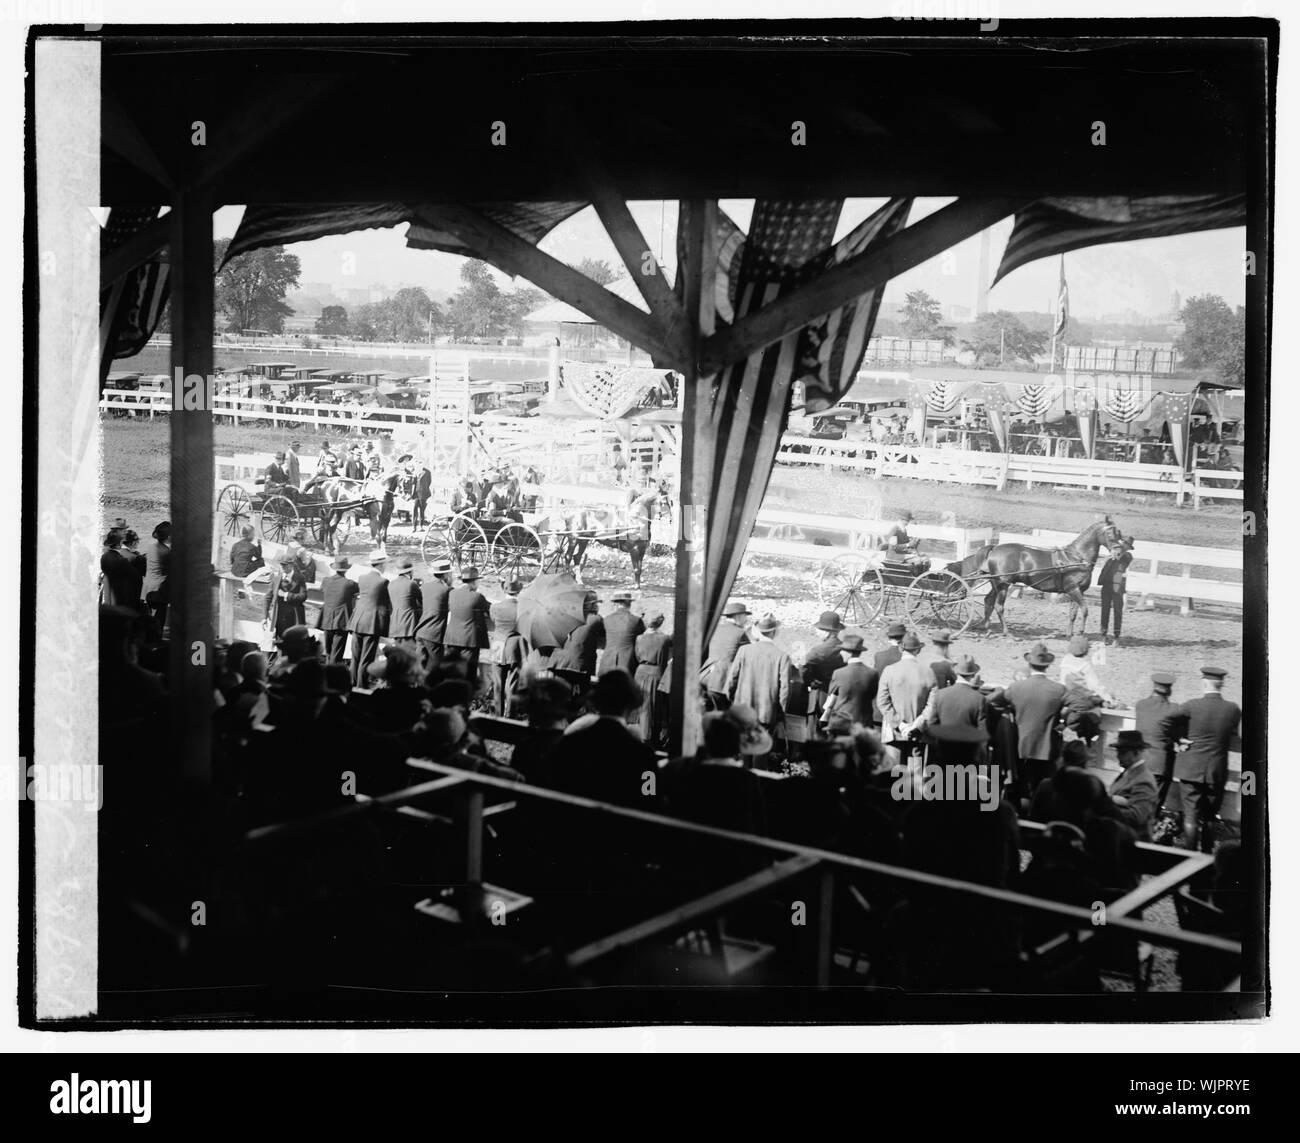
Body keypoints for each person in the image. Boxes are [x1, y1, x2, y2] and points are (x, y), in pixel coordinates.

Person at [1160, 666, 1242, 851]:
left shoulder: (1191, 706)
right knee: (1211, 815)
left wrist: (1177, 738)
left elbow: (1166, 719)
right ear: (1222, 684)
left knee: (1191, 814)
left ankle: (1190, 855)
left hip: (1190, 769)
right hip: (1216, 770)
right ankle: (1206, 853)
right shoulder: (1233, 709)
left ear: (1204, 683)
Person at [548, 670, 656, 807]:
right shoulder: (645, 755)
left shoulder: (569, 743)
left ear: (596, 700)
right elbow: (651, 797)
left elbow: (556, 784)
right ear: (631, 704)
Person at [1004, 642, 1068, 801]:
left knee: (1021, 789)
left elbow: (997, 700)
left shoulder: (1016, 688)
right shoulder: (1058, 689)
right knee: (1045, 791)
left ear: (1029, 664)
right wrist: (1064, 722)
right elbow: (1079, 705)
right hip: (1047, 748)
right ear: (1047, 666)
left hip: (1021, 746)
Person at [725, 612, 792, 741]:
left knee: (744, 746)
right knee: (761, 751)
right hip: (766, 712)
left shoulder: (744, 650)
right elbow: (785, 689)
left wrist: (732, 698)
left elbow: (732, 679)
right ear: (774, 632)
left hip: (743, 708)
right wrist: (781, 712)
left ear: (758, 631)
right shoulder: (782, 656)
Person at [876, 630, 934, 765]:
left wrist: (900, 725)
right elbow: (933, 705)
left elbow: (882, 702)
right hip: (918, 734)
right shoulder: (928, 672)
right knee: (915, 778)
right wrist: (916, 725)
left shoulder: (889, 671)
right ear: (918, 650)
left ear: (901, 648)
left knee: (893, 775)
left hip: (893, 733)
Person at [348, 550, 391, 689]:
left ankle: (352, 683)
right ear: (381, 564)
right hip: (371, 623)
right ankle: (361, 687)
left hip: (357, 621)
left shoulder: (362, 578)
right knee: (366, 658)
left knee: (355, 657)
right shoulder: (383, 582)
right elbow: (385, 604)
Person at [1135, 671, 1179, 806]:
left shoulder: (1140, 705)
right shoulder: (1173, 709)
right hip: (1160, 764)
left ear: (1154, 687)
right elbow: (1176, 733)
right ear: (1169, 690)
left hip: (1140, 761)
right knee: (1153, 806)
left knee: (1137, 803)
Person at [1105, 730, 1159, 840]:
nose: (1118, 756)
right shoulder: (1127, 773)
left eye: (1123, 752)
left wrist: (1105, 804)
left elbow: (1136, 817)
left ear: (1137, 752)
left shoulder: (1144, 780)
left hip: (1134, 843)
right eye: (1118, 751)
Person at [443, 565, 492, 684]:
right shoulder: (477, 597)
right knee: (469, 674)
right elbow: (492, 610)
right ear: (475, 581)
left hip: (452, 638)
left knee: (452, 671)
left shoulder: (452, 593)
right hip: (469, 641)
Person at [820, 632, 876, 735]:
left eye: (842, 651)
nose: (840, 653)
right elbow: (872, 696)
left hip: (843, 725)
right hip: (864, 725)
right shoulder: (872, 673)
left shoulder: (839, 673)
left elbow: (831, 698)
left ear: (848, 653)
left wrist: (826, 714)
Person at [632, 613, 672, 745]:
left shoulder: (639, 638)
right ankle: (651, 737)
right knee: (654, 707)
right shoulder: (664, 638)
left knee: (640, 704)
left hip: (640, 671)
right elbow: (663, 660)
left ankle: (639, 734)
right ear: (660, 623)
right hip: (656, 673)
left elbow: (637, 656)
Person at [702, 600, 750, 708]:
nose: (746, 620)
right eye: (745, 616)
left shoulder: (715, 629)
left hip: (706, 676)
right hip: (722, 681)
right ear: (738, 616)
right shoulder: (740, 633)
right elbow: (748, 656)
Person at [490, 579, 526, 717]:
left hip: (497, 646)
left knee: (498, 684)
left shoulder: (495, 607)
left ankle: (498, 715)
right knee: (512, 684)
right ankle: (509, 714)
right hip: (514, 648)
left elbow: (493, 621)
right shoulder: (522, 609)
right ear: (519, 591)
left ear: (504, 590)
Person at [802, 611, 845, 727]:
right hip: (840, 700)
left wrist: (811, 682)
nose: (817, 632)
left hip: (821, 696)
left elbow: (803, 669)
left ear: (827, 632)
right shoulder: (845, 649)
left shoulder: (818, 651)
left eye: (819, 629)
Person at [554, 593, 605, 690]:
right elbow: (604, 639)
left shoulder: (566, 617)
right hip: (580, 665)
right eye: (595, 604)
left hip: (560, 663)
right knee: (580, 697)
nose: (597, 607)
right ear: (589, 605)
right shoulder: (595, 619)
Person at [922, 653, 986, 730]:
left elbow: (932, 724)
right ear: (973, 675)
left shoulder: (940, 695)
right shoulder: (979, 699)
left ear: (956, 672)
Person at [413, 558, 453, 672]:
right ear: (446, 574)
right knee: (434, 669)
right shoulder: (448, 590)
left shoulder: (424, 587)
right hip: (434, 634)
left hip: (420, 631)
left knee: (420, 667)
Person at [319, 556, 358, 664]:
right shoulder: (350, 584)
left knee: (328, 653)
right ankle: (334, 675)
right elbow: (358, 590)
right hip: (341, 621)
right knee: (337, 654)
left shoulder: (326, 581)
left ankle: (327, 675)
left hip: (327, 620)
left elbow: (322, 590)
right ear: (346, 569)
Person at [1059, 633, 1115, 706]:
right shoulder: (1084, 665)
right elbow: (1095, 685)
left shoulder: (1065, 660)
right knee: (1102, 699)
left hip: (1064, 694)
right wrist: (1108, 699)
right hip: (1079, 697)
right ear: (1086, 651)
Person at [1098, 536, 1134, 646]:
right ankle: (1103, 635)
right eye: (1123, 543)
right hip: (1107, 585)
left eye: (1126, 545)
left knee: (1117, 611)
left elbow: (1121, 561)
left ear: (1128, 547)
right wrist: (1110, 556)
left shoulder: (1127, 556)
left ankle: (1116, 637)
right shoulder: (1112, 552)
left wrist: (1115, 553)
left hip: (1117, 587)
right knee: (1105, 610)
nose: (1123, 545)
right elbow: (1104, 564)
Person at [263, 554, 308, 641]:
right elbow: (268, 597)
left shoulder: (300, 578)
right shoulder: (276, 578)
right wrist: (265, 617)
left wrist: (286, 595)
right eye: (281, 565)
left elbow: (303, 596)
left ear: (291, 565)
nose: (282, 567)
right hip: (279, 617)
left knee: (294, 644)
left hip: (295, 617)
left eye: (285, 565)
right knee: (280, 643)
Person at [600, 590, 644, 676]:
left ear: (616, 604)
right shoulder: (636, 620)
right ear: (629, 604)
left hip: (607, 662)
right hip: (627, 663)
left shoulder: (607, 619)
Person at [871, 621, 906, 727]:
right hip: (899, 714)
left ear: (889, 638)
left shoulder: (879, 656)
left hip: (879, 712)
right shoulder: (905, 658)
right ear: (904, 638)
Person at [99, 529, 142, 609]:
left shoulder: (104, 556)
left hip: (107, 593)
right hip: (120, 597)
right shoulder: (121, 560)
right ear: (120, 543)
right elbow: (136, 577)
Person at [142, 520, 171, 630]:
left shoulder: (151, 546)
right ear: (168, 536)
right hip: (159, 590)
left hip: (148, 587)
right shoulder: (166, 551)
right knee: (159, 622)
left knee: (150, 620)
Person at [387, 556, 422, 647]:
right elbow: (422, 601)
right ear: (410, 571)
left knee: (399, 654)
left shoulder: (391, 584)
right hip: (409, 625)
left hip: (395, 624)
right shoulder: (411, 584)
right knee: (410, 654)